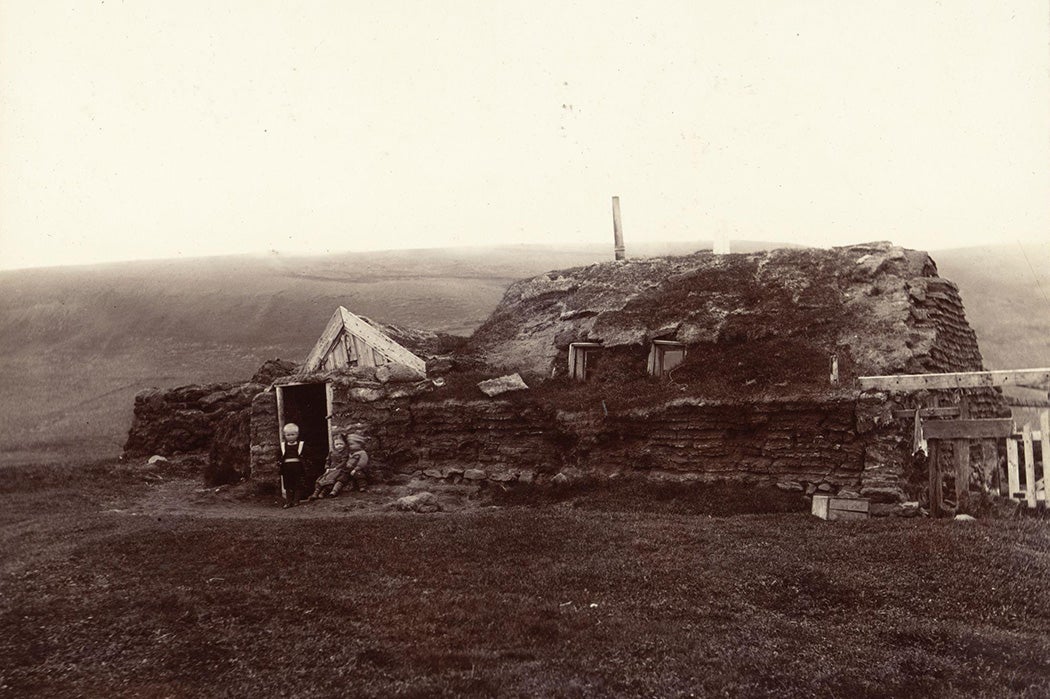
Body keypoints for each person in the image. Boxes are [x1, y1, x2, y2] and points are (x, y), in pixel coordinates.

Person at [306, 434, 350, 501]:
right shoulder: (332, 452)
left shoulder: (345, 453)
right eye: (337, 444)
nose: (339, 446)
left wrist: (336, 468)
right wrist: (327, 467)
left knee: (332, 480)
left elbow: (344, 462)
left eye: (341, 444)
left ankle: (324, 493)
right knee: (322, 479)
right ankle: (316, 493)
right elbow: (328, 460)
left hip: (340, 469)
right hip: (331, 469)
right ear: (334, 445)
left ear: (345, 444)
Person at [278, 422, 307, 508]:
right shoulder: (283, 446)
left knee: (298, 483)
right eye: (288, 435)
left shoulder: (300, 445)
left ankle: (296, 501)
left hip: (297, 467)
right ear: (285, 435)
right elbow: (279, 455)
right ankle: (288, 501)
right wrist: (279, 462)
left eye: (292, 434)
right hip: (287, 468)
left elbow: (305, 454)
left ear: (297, 434)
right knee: (288, 484)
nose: (290, 437)